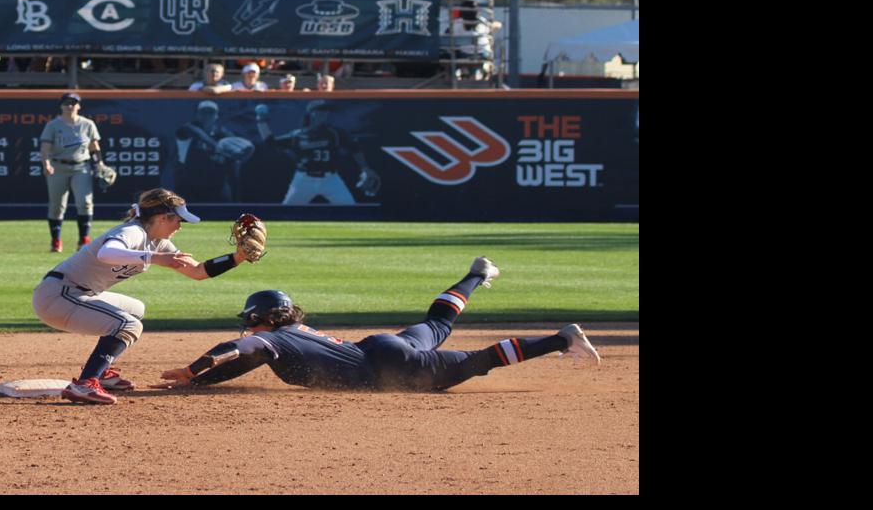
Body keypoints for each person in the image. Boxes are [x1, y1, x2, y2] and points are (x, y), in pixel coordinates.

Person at [154, 258, 601, 393]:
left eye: (251, 321)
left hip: (392, 365)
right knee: (436, 324)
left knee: (477, 361)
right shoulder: (288, 336)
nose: (249, 327)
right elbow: (244, 362)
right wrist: (201, 383)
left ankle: (562, 338)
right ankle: (479, 273)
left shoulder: (268, 340)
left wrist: (194, 371)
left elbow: (241, 352)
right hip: (381, 348)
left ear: (262, 319)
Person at [34, 188, 254, 405]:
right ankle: (85, 384)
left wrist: (238, 257)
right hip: (58, 295)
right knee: (128, 325)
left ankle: (102, 373)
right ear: (161, 218)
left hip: (76, 295)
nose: (179, 226)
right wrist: (155, 258)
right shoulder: (133, 232)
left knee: (135, 309)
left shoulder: (158, 242)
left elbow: (197, 271)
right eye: (178, 220)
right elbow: (106, 253)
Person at [256, 99, 379, 205]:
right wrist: (261, 122)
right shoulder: (298, 135)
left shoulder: (335, 133)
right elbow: (271, 142)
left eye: (326, 111)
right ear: (311, 114)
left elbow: (354, 148)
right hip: (304, 179)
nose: (323, 114)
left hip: (330, 179)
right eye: (319, 111)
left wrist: (365, 167)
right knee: (287, 212)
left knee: (350, 209)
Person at [38, 92, 104, 253]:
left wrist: (100, 163)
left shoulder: (87, 124)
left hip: (81, 167)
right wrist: (46, 163)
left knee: (85, 203)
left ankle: (84, 240)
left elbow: (94, 146)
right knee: (57, 206)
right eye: (66, 102)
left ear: (79, 106)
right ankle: (56, 240)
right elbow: (45, 147)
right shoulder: (53, 125)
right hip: (58, 167)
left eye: (73, 103)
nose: (70, 106)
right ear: (61, 105)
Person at [174, 100, 248, 202]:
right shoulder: (187, 130)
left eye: (211, 113)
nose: (207, 116)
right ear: (197, 115)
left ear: (216, 116)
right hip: (191, 188)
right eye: (203, 112)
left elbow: (234, 162)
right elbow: (195, 131)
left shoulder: (225, 134)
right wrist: (216, 147)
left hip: (217, 188)